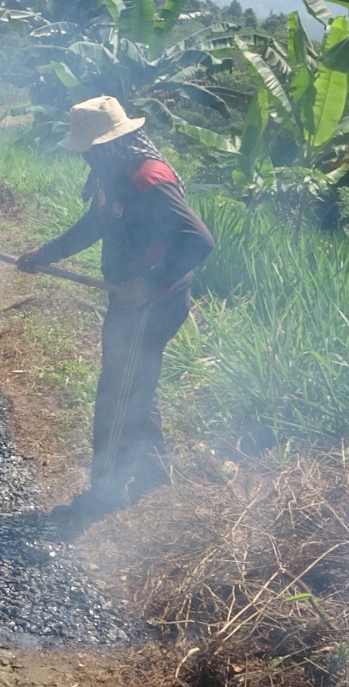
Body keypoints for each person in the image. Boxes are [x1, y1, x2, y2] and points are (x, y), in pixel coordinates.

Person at [16, 95, 214, 529]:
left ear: (111, 144)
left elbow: (199, 240)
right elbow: (96, 225)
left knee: (116, 395)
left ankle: (104, 493)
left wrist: (150, 284)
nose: (86, 157)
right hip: (130, 298)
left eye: (90, 149)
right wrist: (46, 254)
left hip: (153, 303)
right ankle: (154, 474)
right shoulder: (114, 175)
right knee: (134, 385)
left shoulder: (149, 178)